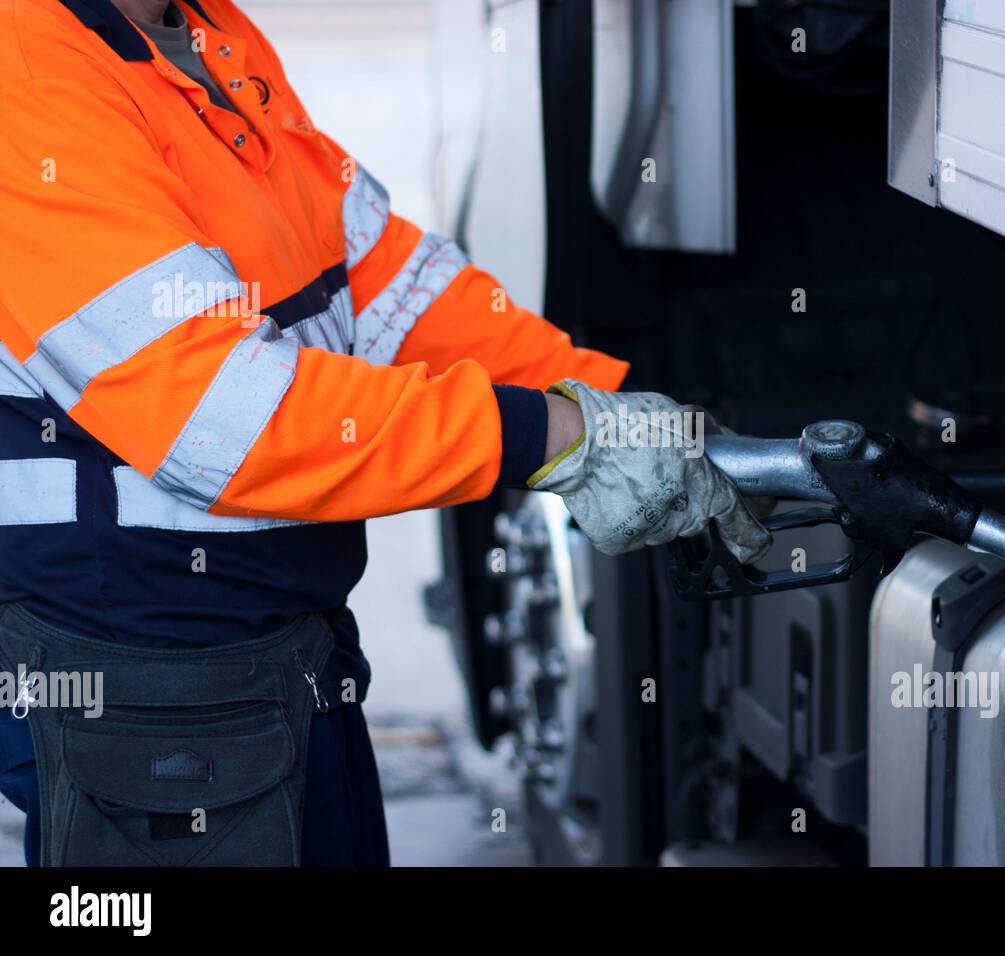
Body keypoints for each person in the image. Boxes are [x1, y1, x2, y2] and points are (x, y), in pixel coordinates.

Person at [0, 0, 768, 866]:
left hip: (280, 650)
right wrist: (551, 434)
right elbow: (224, 417)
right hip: (145, 683)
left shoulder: (201, 31)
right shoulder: (26, 77)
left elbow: (384, 283)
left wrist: (626, 409)